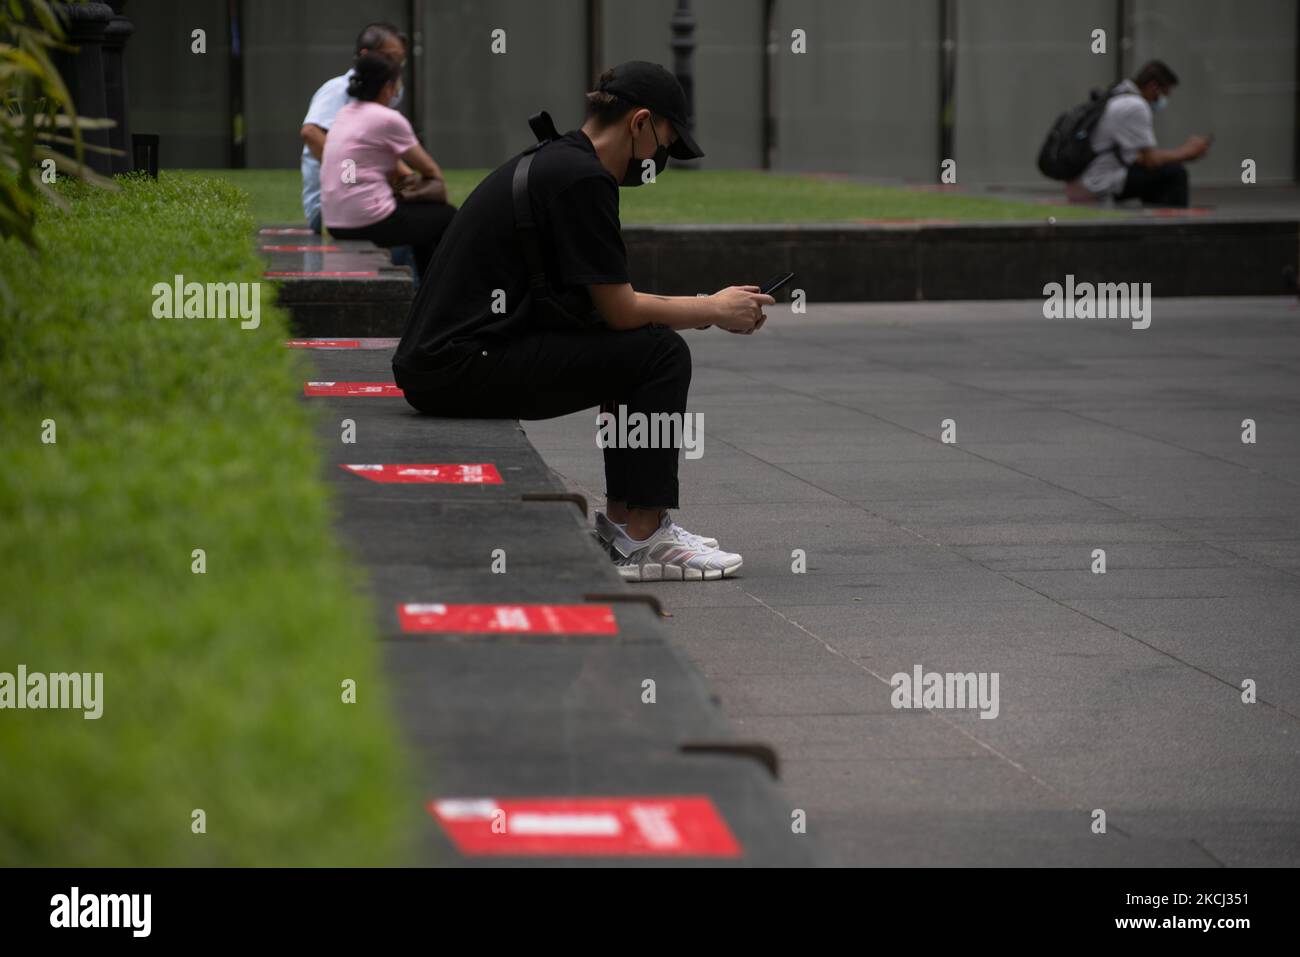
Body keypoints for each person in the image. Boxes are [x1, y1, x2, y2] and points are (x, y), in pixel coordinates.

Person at [392, 61, 773, 582]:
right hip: (458, 366)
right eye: (667, 141)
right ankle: (642, 535)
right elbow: (621, 309)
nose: (663, 158)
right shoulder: (582, 178)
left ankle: (627, 526)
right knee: (660, 355)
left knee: (644, 345)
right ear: (640, 123)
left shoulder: (562, 161)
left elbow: (609, 307)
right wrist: (712, 308)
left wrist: (704, 307)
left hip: (446, 360)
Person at [320, 53, 456, 277]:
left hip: (334, 221)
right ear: (388, 87)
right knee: (447, 216)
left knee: (425, 220)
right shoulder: (388, 119)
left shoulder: (344, 113)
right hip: (369, 221)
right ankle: (436, 294)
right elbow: (432, 171)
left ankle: (425, 291)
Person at [299, 22, 410, 235]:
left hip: (367, 199)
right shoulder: (337, 89)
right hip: (331, 208)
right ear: (366, 55)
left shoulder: (387, 94)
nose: (396, 66)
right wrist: (351, 177)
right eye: (389, 57)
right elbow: (311, 133)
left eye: (400, 59)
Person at [1080, 60, 1212, 207]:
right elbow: (1151, 160)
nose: (1162, 101)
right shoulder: (1136, 105)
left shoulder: (1118, 94)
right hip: (1102, 180)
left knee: (1157, 176)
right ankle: (1175, 227)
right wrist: (1188, 152)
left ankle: (1155, 222)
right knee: (1175, 174)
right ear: (1153, 87)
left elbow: (1137, 157)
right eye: (1163, 94)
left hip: (1088, 176)